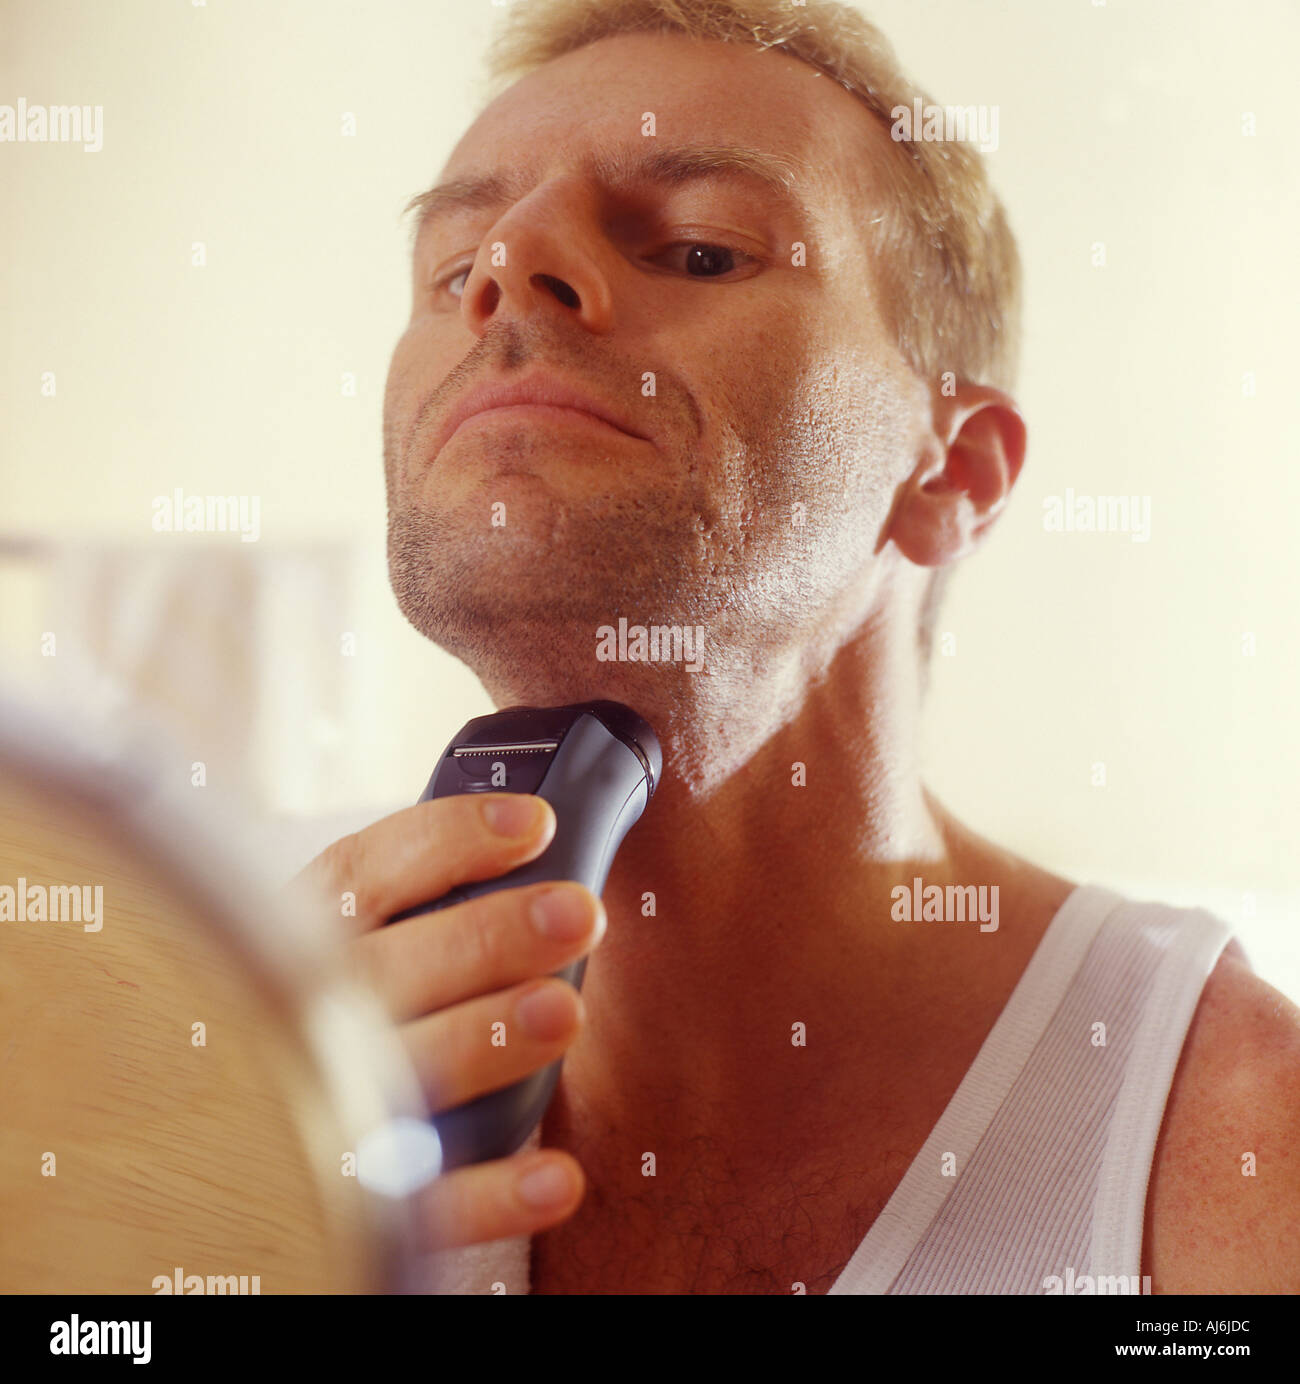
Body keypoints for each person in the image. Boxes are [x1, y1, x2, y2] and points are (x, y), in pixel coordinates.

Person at [296, 0, 1300, 1294]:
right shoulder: (220, 1073)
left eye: (702, 249)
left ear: (953, 473)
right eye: (450, 268)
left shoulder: (1238, 1155)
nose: (507, 263)